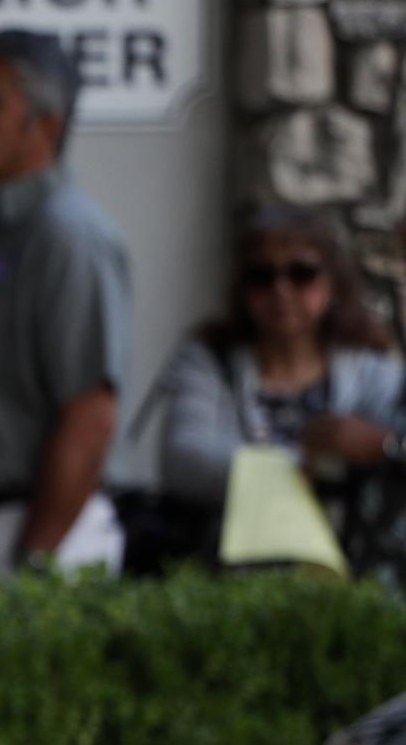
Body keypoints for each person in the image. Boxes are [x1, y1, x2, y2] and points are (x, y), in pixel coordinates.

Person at [0, 29, 133, 580]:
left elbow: (90, 417)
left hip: (32, 531)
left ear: (44, 126)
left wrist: (35, 565)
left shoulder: (68, 235)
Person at [157, 205, 403, 547]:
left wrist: (381, 444)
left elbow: (394, 447)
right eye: (262, 275)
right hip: (232, 570)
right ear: (242, 288)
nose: (281, 290)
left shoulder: (376, 371)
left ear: (333, 283)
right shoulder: (209, 358)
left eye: (301, 274)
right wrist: (309, 463)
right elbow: (184, 461)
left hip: (354, 573)